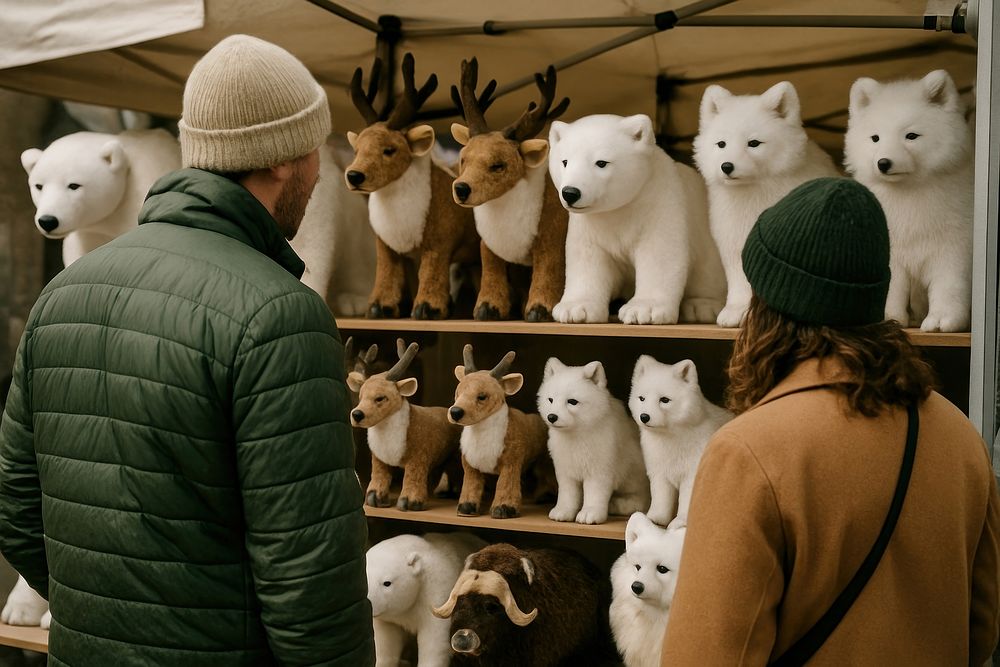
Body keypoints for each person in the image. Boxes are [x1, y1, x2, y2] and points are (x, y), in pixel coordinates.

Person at [0, 35, 374, 666]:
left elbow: (15, 504)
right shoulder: (281, 313)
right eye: (314, 150)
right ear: (283, 160)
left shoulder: (62, 293)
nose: (318, 170)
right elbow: (308, 572)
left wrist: (100, 612)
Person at [661, 178, 999, 665]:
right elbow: (982, 630)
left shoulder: (749, 452)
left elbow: (708, 655)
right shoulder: (957, 433)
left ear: (767, 306)